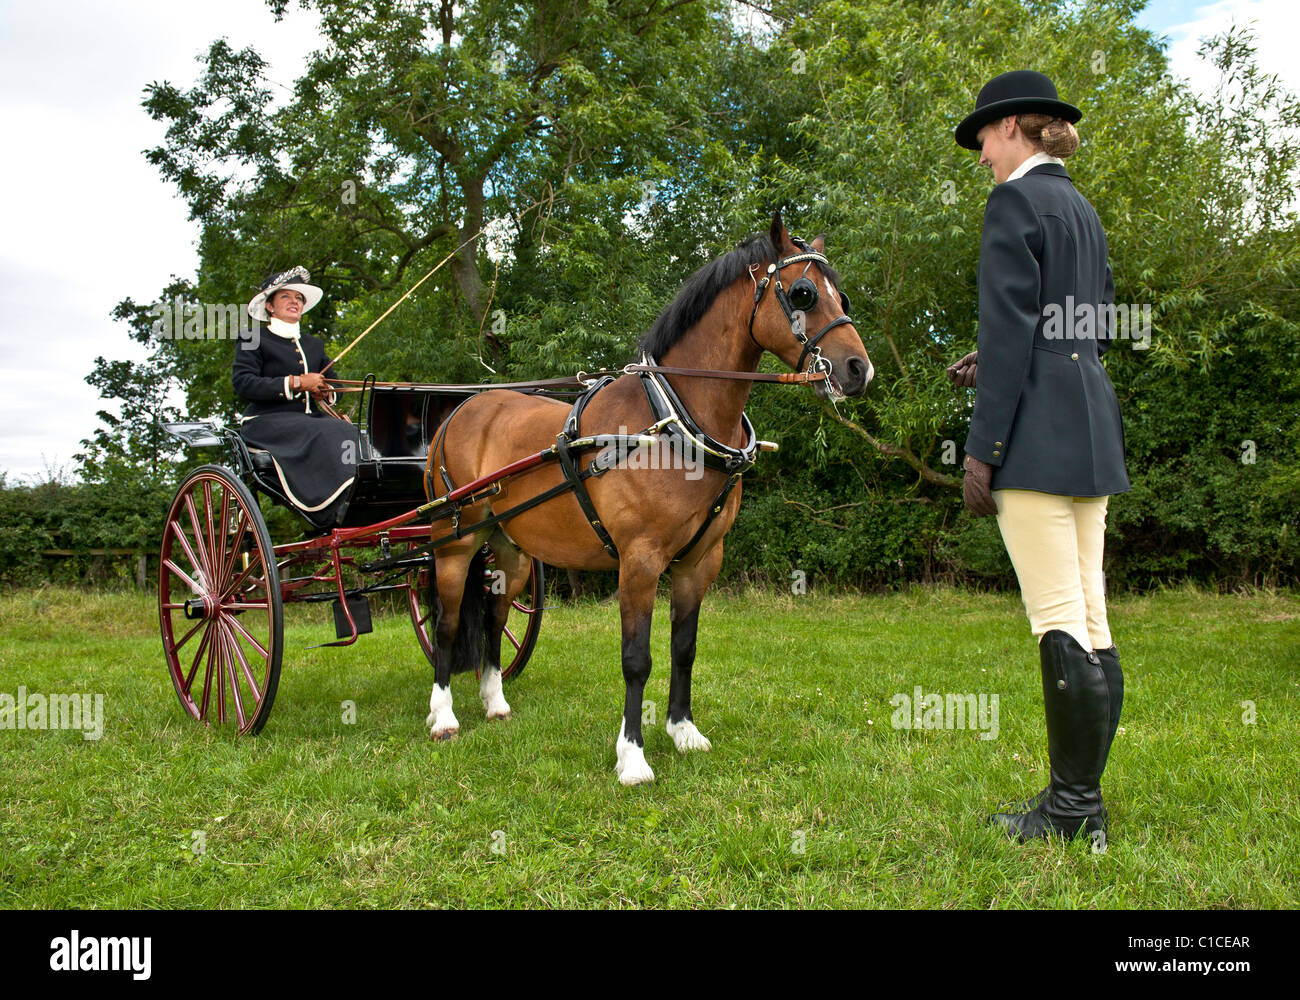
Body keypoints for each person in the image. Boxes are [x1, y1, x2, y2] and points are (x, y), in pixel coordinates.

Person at [949, 71, 1129, 844]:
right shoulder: (1081, 209)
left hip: (1036, 441)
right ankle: (1081, 802)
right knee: (1091, 617)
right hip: (1091, 428)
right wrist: (992, 355)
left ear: (1017, 126)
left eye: (986, 134)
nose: (981, 151)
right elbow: (1092, 326)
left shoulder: (1014, 203)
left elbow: (1021, 329)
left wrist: (982, 454)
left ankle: (1071, 811)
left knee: (1058, 620)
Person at [233, 266, 360, 529]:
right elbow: (243, 383)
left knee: (352, 430)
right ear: (269, 306)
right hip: (264, 423)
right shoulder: (250, 338)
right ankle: (330, 507)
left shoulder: (314, 345)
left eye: (299, 298)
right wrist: (298, 382)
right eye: (286, 297)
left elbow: (332, 383)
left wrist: (325, 390)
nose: (295, 301)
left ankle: (357, 496)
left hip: (306, 422)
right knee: (329, 430)